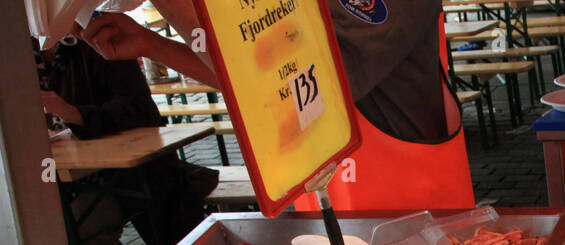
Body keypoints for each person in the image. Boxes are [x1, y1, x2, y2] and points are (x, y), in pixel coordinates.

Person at [81, 1, 475, 212]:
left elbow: (329, 83)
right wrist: (155, 46)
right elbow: (270, 87)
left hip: (419, 236)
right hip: (331, 228)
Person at [36, 34, 216, 245]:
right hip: (76, 176)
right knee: (58, 239)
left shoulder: (100, 36)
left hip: (136, 172)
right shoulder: (25, 51)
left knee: (79, 233)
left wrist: (76, 114)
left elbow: (138, 109)